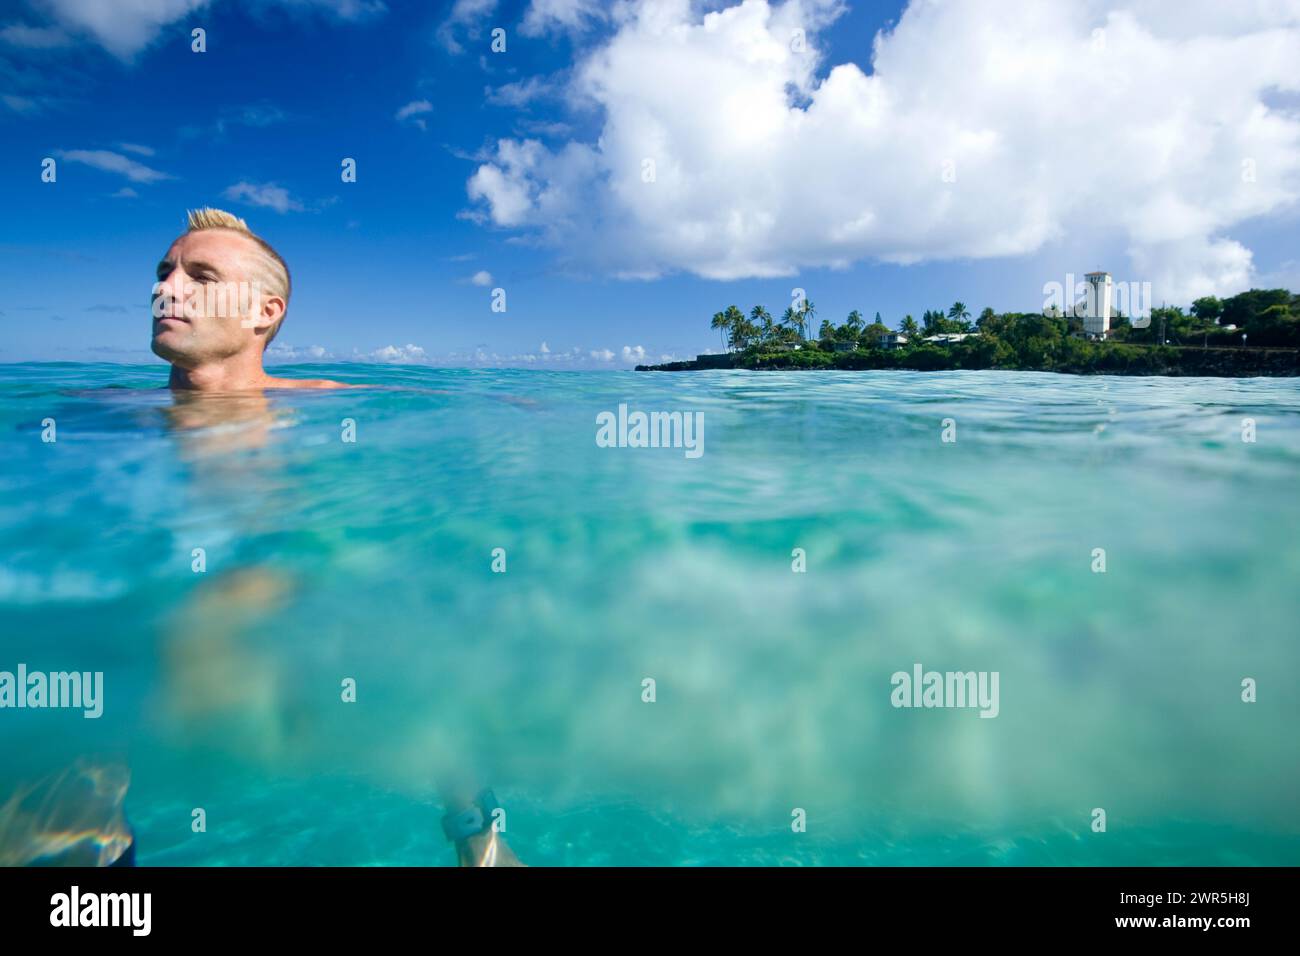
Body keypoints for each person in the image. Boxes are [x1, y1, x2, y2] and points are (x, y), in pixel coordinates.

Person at [151, 208, 349, 391]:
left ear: (265, 312)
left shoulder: (329, 400)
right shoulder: (124, 405)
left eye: (203, 278)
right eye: (163, 274)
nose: (164, 288)